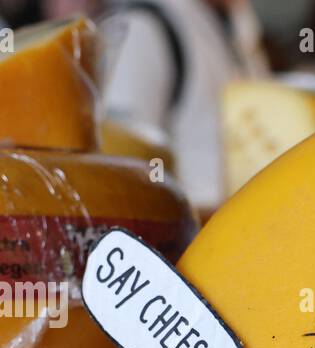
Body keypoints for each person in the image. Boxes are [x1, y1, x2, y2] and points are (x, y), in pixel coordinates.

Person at [103, 0, 269, 210]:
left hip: (253, 219)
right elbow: (123, 170)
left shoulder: (241, 29)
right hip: (196, 226)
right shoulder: (146, 28)